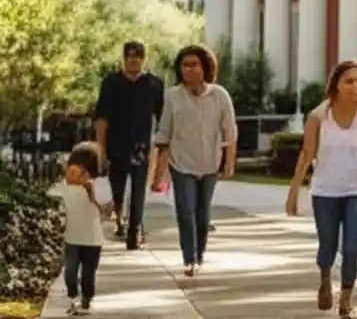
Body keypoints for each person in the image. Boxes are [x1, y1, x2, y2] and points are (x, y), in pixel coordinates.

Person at [286, 60, 357, 319]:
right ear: (336, 86)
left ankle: (347, 296)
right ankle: (325, 278)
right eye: (349, 81)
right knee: (327, 246)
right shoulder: (318, 118)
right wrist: (294, 191)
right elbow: (306, 155)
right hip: (325, 190)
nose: (356, 86)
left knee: (351, 248)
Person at [152, 44, 237, 277]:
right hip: (181, 163)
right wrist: (158, 172)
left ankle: (199, 254)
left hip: (210, 162)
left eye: (194, 64)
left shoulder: (219, 95)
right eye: (185, 65)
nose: (189, 69)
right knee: (185, 210)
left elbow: (230, 132)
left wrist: (229, 162)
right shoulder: (172, 96)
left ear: (205, 67)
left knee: (202, 213)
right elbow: (164, 134)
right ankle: (188, 258)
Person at [92, 40, 164, 250]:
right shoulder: (111, 83)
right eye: (130, 56)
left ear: (143, 59)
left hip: (141, 144)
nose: (134, 60)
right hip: (117, 142)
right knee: (118, 186)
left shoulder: (154, 85)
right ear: (124, 59)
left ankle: (135, 231)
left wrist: (163, 148)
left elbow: (163, 118)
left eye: (138, 56)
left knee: (139, 188)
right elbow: (101, 117)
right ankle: (119, 218)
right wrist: (101, 148)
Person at [61, 141, 111, 316]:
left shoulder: (100, 185)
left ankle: (86, 301)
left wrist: (92, 193)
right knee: (70, 272)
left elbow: (106, 212)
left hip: (92, 240)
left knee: (89, 275)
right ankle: (72, 298)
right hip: (72, 239)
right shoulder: (67, 185)